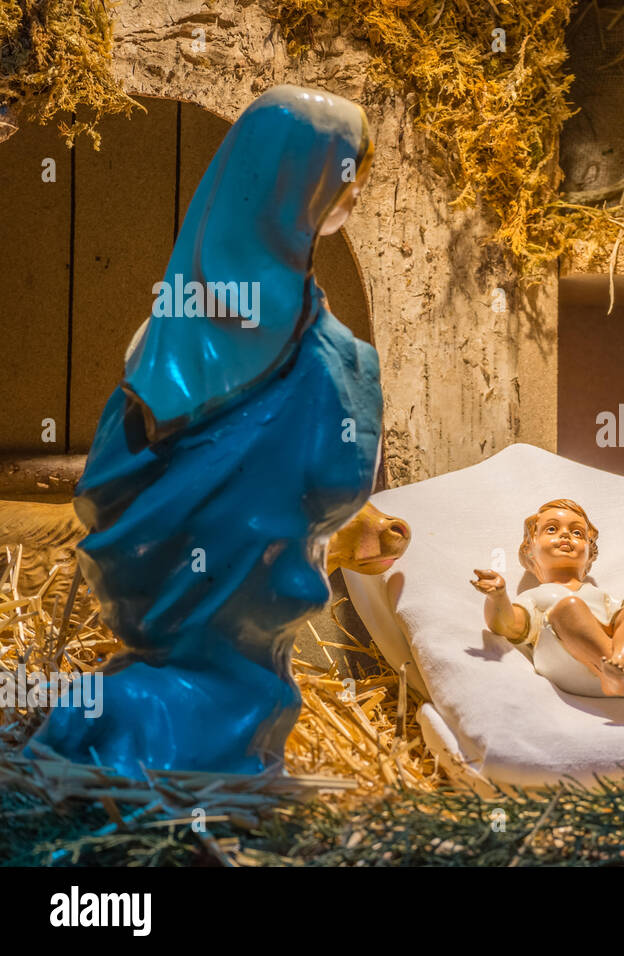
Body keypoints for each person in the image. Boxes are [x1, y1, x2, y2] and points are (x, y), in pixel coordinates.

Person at [32, 86, 382, 775]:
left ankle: (147, 749)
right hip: (239, 632)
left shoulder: (169, 328)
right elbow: (333, 475)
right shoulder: (323, 350)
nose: (353, 200)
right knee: (217, 692)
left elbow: (114, 474)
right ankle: (182, 761)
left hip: (185, 602)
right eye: (347, 180)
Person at [471, 499, 624, 697]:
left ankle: (622, 666)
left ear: (589, 553)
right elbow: (507, 625)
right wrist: (498, 597)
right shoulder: (535, 596)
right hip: (565, 665)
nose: (566, 536)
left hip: (620, 670)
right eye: (552, 529)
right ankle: (611, 671)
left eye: (577, 533)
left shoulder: (600, 597)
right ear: (530, 550)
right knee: (569, 606)